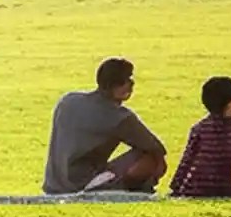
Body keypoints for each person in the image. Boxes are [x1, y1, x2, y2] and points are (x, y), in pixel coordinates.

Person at [42, 57, 168, 195]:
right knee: (151, 157)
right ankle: (135, 189)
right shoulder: (119, 117)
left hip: (54, 183)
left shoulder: (68, 101)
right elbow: (156, 147)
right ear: (119, 85)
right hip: (81, 185)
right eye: (129, 80)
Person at [168, 76, 231, 198]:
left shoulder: (200, 128)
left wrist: (176, 187)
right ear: (227, 103)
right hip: (224, 188)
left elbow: (187, 161)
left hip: (195, 188)